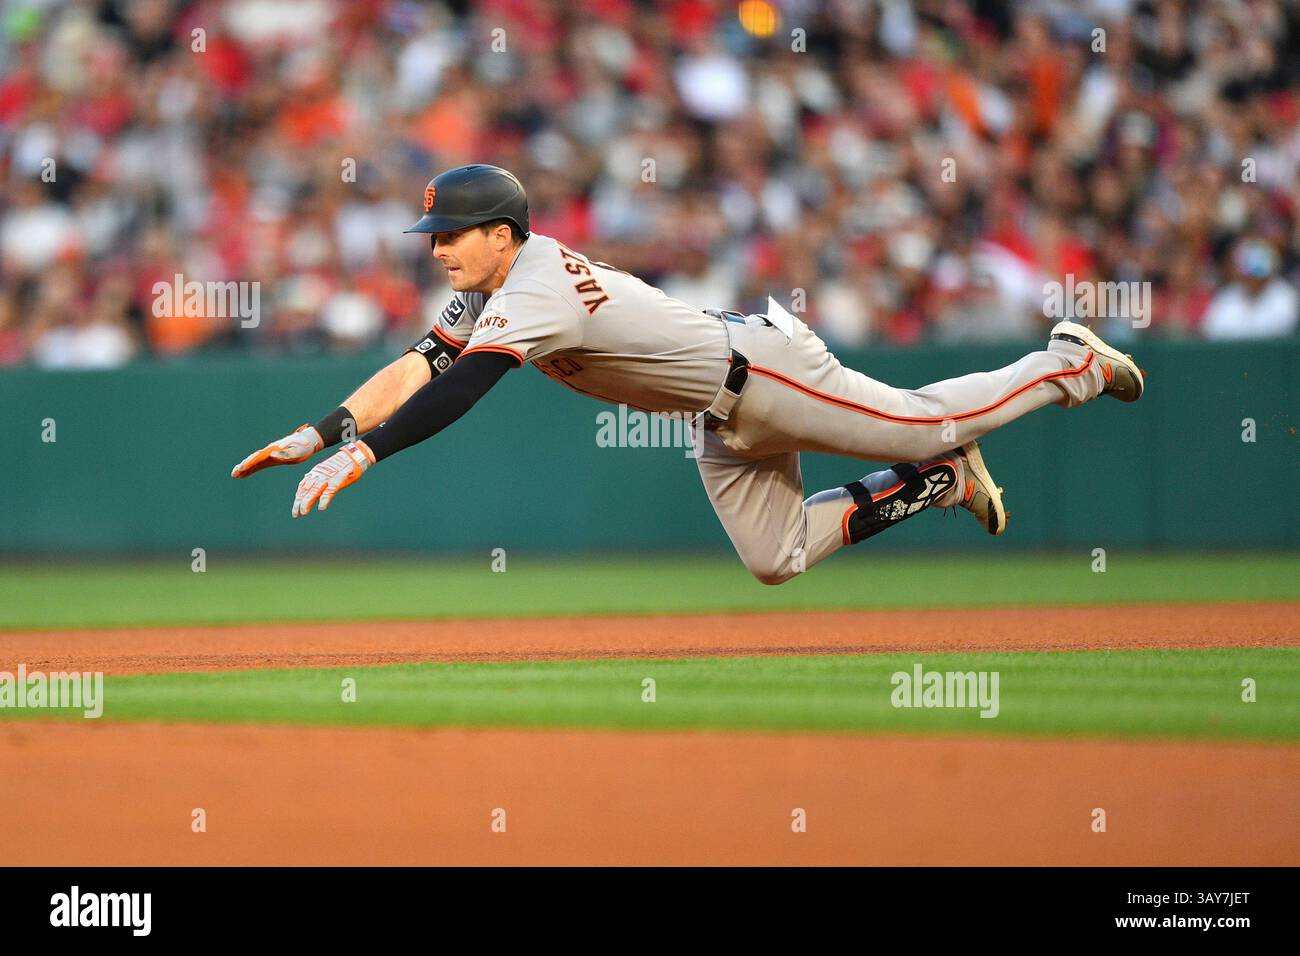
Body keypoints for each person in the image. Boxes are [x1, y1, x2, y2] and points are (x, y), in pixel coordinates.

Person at [232, 165, 1144, 585]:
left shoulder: (537, 281)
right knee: (775, 558)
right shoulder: (493, 287)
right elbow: (416, 365)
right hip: (718, 415)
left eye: (450, 236)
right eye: (433, 239)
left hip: (764, 372)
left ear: (501, 235)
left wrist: (370, 457)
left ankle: (1069, 362)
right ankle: (942, 485)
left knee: (924, 419)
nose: (436, 251)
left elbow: (462, 388)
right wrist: (324, 432)